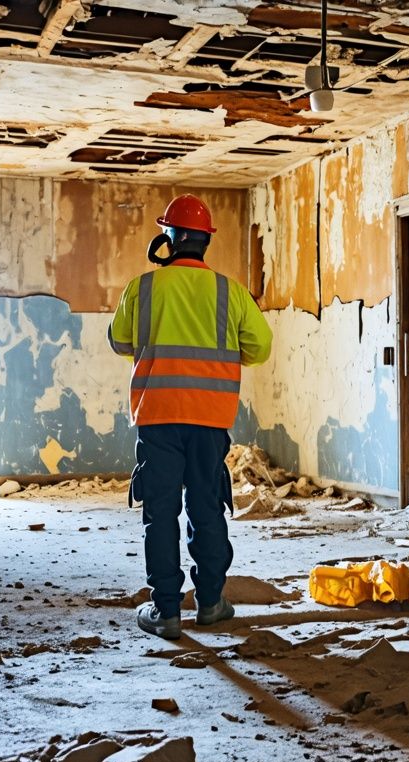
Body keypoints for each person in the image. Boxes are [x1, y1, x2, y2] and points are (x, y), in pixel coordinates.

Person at [108, 193, 273, 640]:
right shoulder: (229, 291)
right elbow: (260, 348)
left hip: (158, 418)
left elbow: (120, 342)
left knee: (160, 511)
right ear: (205, 241)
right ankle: (211, 602)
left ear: (169, 237)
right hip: (209, 420)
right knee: (206, 507)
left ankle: (165, 611)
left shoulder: (142, 288)